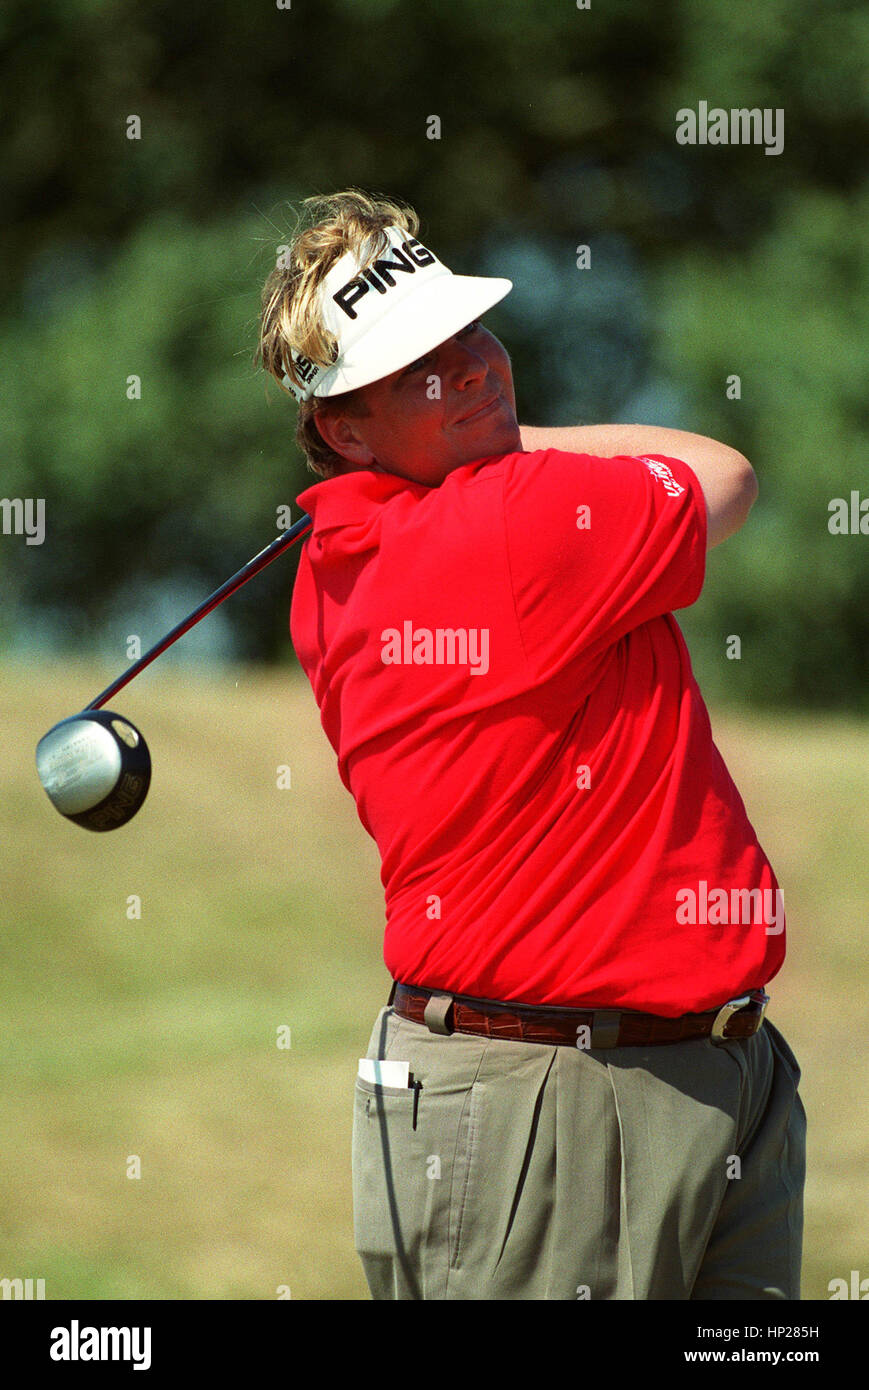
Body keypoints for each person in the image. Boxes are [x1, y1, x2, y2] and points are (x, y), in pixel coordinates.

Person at [256, 189, 806, 1301]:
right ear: (342, 429)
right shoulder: (508, 521)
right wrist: (504, 448)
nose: (464, 368)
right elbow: (723, 474)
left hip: (681, 1068)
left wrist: (466, 446)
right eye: (416, 366)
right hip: (558, 1095)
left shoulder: (342, 556)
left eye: (466, 334)